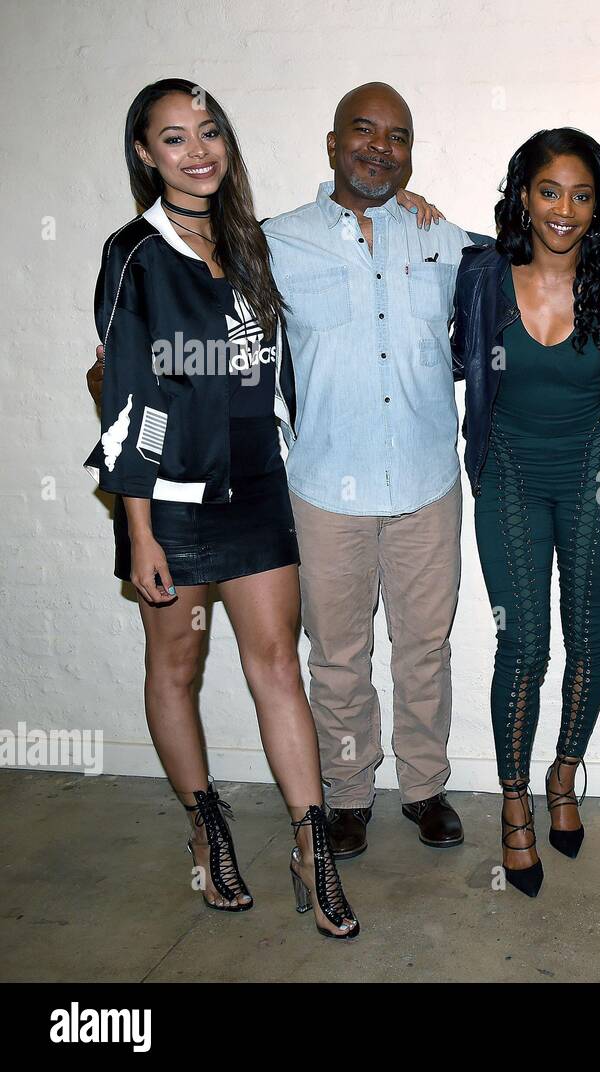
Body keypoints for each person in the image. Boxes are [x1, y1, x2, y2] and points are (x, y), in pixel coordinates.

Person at [88, 83, 462, 861]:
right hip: (321, 487)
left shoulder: (441, 238)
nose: (380, 148)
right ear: (331, 145)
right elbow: (136, 367)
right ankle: (347, 796)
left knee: (425, 648)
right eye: (363, 130)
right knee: (334, 656)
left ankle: (425, 787)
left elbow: (513, 279)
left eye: (398, 136)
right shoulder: (272, 241)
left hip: (425, 482)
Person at [84, 79, 357, 938]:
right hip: (168, 498)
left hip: (255, 484)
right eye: (173, 139)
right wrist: (138, 531)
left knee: (277, 664)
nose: (196, 151)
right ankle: (207, 826)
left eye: (208, 132)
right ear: (144, 154)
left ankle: (310, 848)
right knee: (177, 670)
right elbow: (127, 394)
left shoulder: (250, 244)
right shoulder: (134, 251)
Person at [452, 128, 600, 897]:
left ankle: (564, 774)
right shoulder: (482, 278)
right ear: (523, 196)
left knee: (589, 637)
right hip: (508, 475)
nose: (563, 210)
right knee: (523, 647)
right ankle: (513, 802)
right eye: (548, 191)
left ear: (599, 207)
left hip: (596, 475)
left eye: (581, 194)